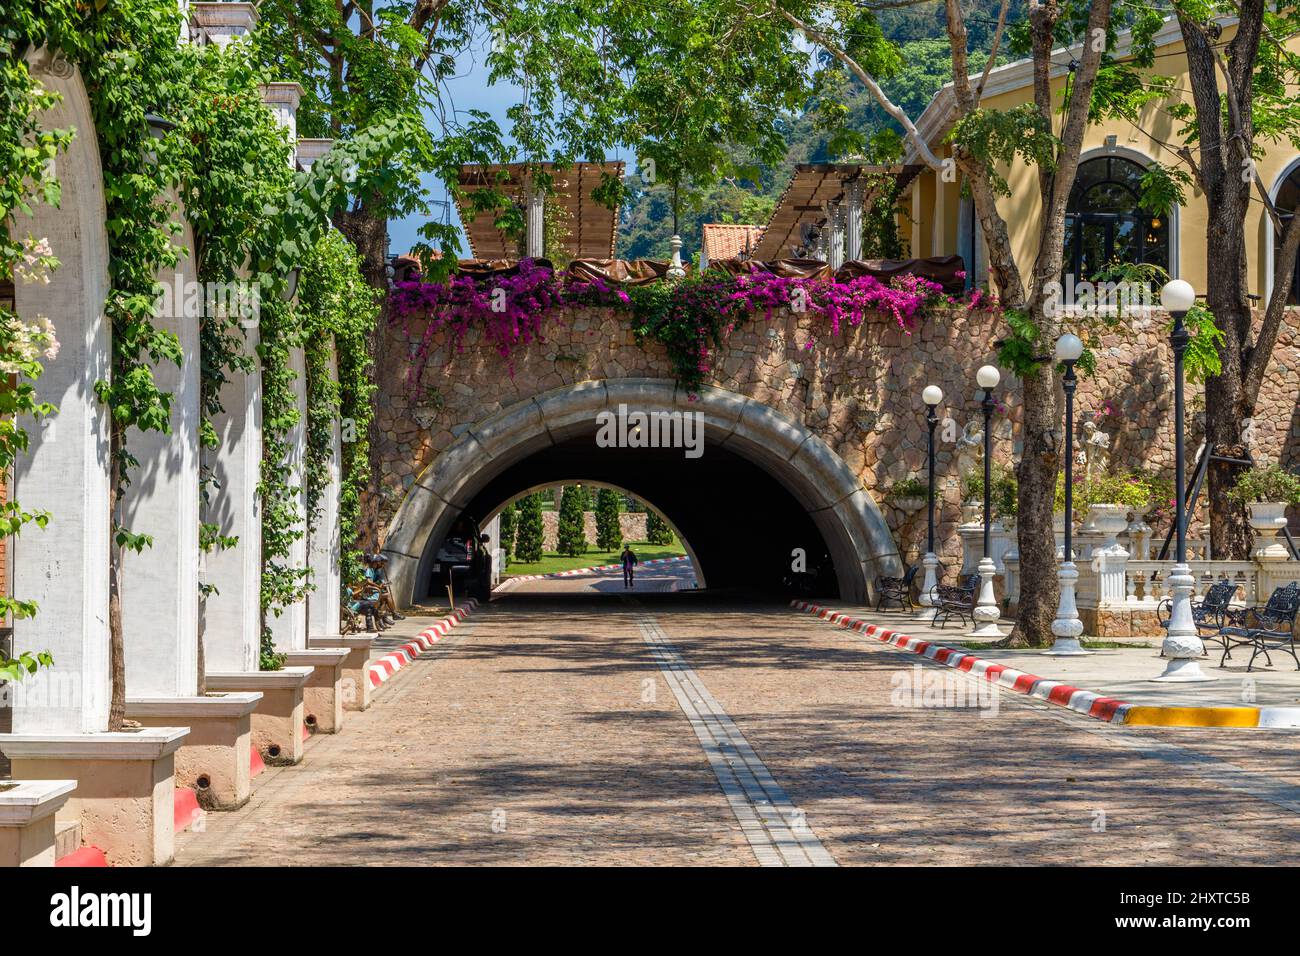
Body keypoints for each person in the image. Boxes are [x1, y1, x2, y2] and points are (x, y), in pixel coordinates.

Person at [365, 553, 405, 622]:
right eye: (381, 563)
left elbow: (380, 580)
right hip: (370, 593)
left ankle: (384, 616)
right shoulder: (369, 570)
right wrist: (378, 586)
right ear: (376, 563)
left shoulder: (376, 571)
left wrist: (384, 584)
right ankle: (394, 613)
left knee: (384, 599)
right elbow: (369, 581)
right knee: (387, 596)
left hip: (376, 591)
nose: (382, 565)